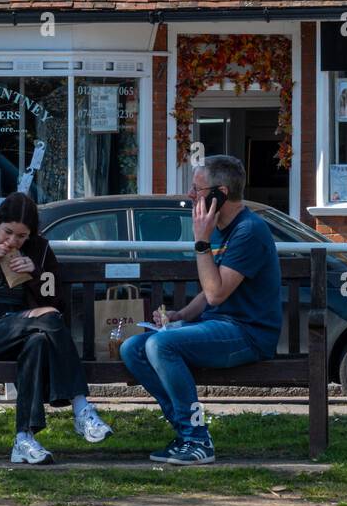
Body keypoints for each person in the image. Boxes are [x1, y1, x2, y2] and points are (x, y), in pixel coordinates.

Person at [120, 154, 282, 465]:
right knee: (133, 348)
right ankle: (186, 432)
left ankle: (197, 440)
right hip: (219, 326)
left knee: (160, 345)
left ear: (220, 193)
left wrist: (201, 242)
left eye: (197, 189)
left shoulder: (249, 231)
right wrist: (181, 316)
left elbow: (216, 293)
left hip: (247, 333)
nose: (190, 196)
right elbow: (210, 295)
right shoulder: (219, 227)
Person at [0, 192, 112, 463]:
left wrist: (34, 275)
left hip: (27, 330)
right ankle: (81, 408)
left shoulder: (40, 250)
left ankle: (24, 438)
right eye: (7, 233)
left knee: (38, 342)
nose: (12, 241)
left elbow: (53, 299)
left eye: (21, 237)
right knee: (48, 319)